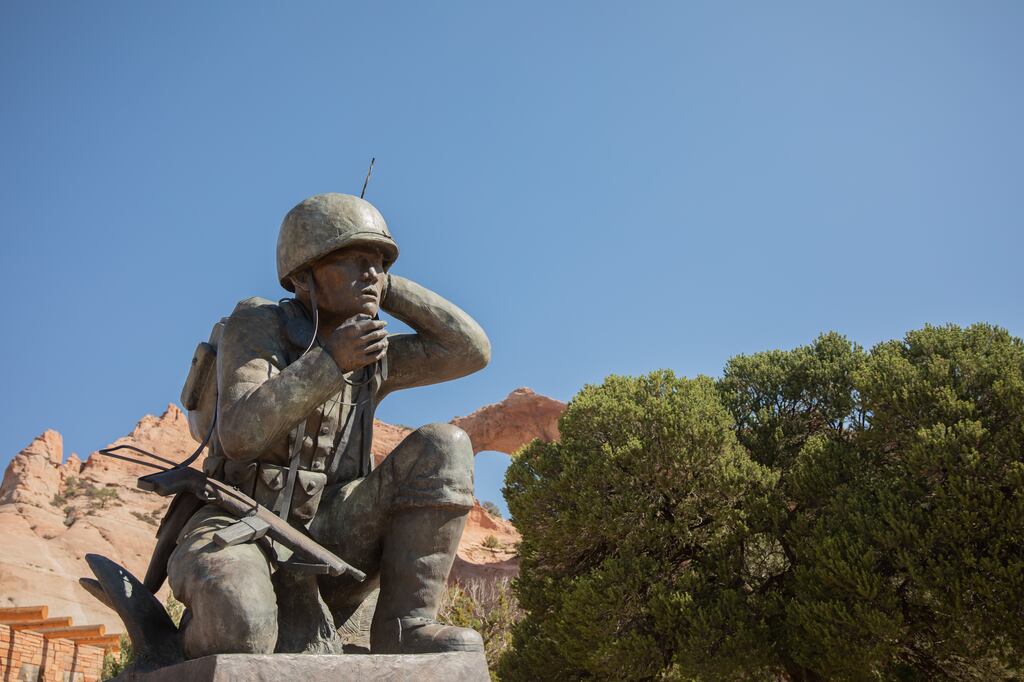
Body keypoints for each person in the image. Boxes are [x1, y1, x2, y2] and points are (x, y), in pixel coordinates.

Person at [165, 192, 491, 657]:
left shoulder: (371, 349)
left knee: (445, 444)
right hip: (240, 522)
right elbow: (239, 435)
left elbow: (470, 350)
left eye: (379, 263)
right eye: (354, 261)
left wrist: (384, 286)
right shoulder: (259, 324)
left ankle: (406, 625)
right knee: (243, 630)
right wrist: (330, 361)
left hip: (331, 530)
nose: (372, 273)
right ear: (302, 274)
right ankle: (178, 646)